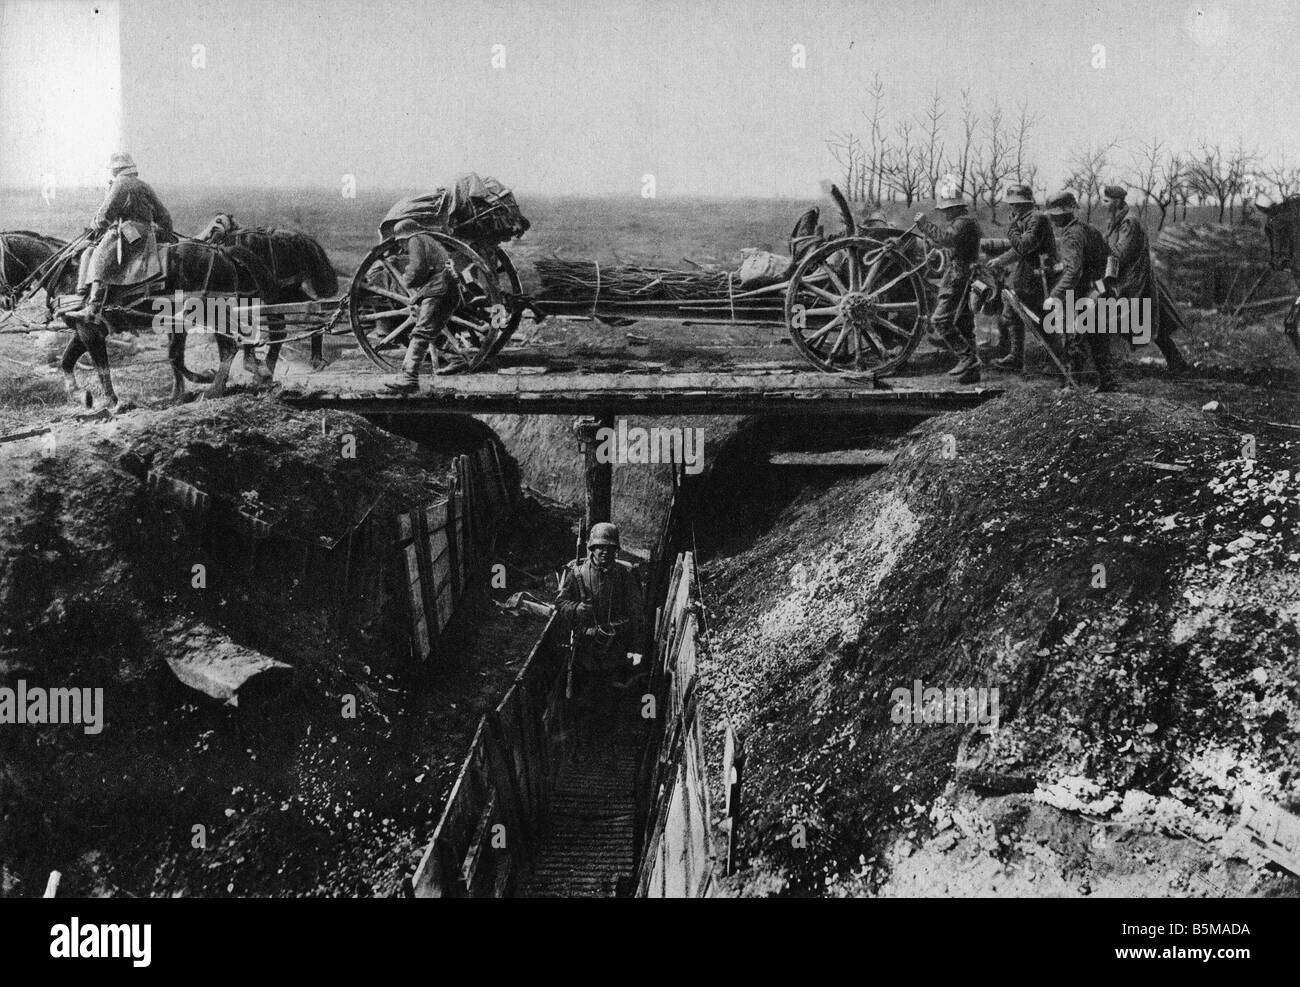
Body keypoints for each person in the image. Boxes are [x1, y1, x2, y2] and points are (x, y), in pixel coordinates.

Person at [554, 522, 646, 744]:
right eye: (599, 547)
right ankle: (584, 740)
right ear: (591, 549)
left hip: (615, 649)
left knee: (611, 697)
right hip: (585, 650)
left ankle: (608, 740)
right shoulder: (577, 575)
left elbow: (636, 614)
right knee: (583, 697)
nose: (604, 552)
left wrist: (637, 648)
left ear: (616, 550)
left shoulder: (624, 575)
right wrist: (576, 608)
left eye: (610, 548)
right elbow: (560, 603)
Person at [67, 152, 173, 322]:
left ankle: (93, 306)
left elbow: (104, 215)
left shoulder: (120, 184)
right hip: (146, 232)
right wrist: (164, 234)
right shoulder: (143, 185)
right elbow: (164, 215)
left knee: (101, 254)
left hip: (130, 232)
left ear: (116, 169)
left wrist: (94, 225)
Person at [1102, 184, 1191, 374]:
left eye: (1106, 201)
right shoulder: (1117, 221)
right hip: (1130, 279)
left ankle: (1103, 365)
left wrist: (1099, 251)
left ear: (1117, 202)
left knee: (1120, 319)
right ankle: (1177, 362)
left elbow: (1120, 253)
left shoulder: (1129, 223)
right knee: (1148, 323)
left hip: (1134, 282)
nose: (1103, 205)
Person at [1045, 190, 1116, 392]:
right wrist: (1102, 287)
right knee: (1098, 338)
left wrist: (1055, 296)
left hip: (1085, 294)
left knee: (1073, 337)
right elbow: (1110, 260)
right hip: (1101, 289)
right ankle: (1108, 382)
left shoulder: (1070, 236)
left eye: (1052, 213)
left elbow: (1074, 272)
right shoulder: (1088, 229)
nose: (1050, 217)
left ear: (1060, 214)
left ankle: (1072, 385)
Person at [383, 217, 460, 393]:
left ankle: (409, 378)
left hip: (437, 290)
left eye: (400, 242)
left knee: (421, 332)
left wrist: (406, 279)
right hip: (450, 290)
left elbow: (418, 267)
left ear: (404, 237)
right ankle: (457, 360)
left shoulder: (415, 240)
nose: (402, 247)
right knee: (433, 328)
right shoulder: (431, 240)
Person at [986, 183, 1057, 372]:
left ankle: (1054, 361)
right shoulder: (1028, 218)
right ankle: (1017, 356)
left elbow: (1024, 246)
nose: (1012, 208)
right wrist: (1000, 260)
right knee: (1012, 312)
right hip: (1028, 276)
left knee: (1042, 318)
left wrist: (1011, 228)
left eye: (1015, 204)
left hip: (1039, 277)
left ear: (1024, 204)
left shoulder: (1037, 219)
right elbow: (1019, 249)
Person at [915, 193, 983, 383]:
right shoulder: (963, 222)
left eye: (945, 210)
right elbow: (948, 243)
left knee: (940, 320)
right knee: (963, 323)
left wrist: (925, 225)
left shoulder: (963, 223)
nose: (944, 214)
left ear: (955, 208)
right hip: (960, 273)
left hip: (958, 276)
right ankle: (972, 372)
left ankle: (967, 357)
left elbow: (947, 239)